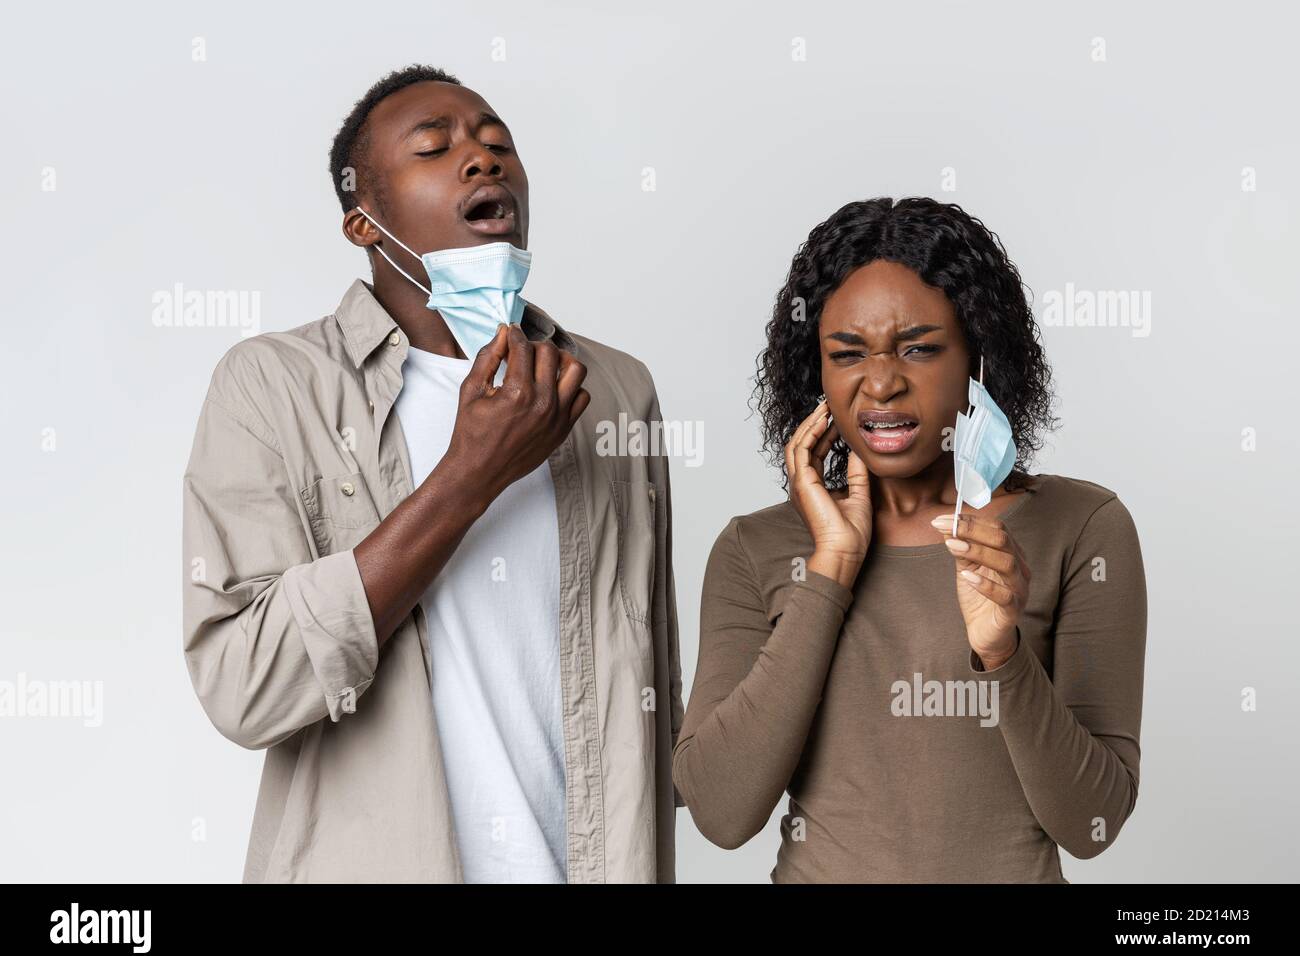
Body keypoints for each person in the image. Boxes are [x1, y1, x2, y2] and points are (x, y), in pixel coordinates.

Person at [182, 65, 683, 883]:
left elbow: (656, 694)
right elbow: (244, 684)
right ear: (363, 222)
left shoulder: (616, 390)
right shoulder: (271, 386)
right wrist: (468, 474)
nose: (483, 161)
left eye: (498, 145)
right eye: (434, 148)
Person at [673, 197, 1147, 883]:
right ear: (817, 375)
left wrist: (1002, 654)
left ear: (980, 356)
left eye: (919, 347)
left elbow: (1092, 823)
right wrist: (829, 573)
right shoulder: (757, 547)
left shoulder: (1081, 526)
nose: (882, 382)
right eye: (847, 353)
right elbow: (719, 811)